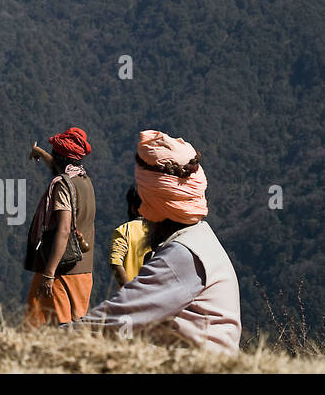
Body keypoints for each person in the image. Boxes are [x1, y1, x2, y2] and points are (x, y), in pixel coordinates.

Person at [70, 130, 241, 354]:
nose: (141, 210)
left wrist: (58, 335)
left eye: (144, 201)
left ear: (153, 204)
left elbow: (119, 317)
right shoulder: (200, 236)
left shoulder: (181, 256)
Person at [23, 127, 96, 325]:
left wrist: (49, 273)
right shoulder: (84, 181)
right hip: (84, 269)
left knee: (49, 324)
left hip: (61, 270)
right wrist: (40, 153)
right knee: (77, 323)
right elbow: (58, 167)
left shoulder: (62, 186)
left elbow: (63, 230)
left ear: (59, 158)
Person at [109, 186, 152, 287]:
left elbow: (116, 263)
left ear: (132, 208)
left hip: (130, 298)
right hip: (156, 295)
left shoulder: (123, 231)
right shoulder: (159, 230)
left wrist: (128, 290)